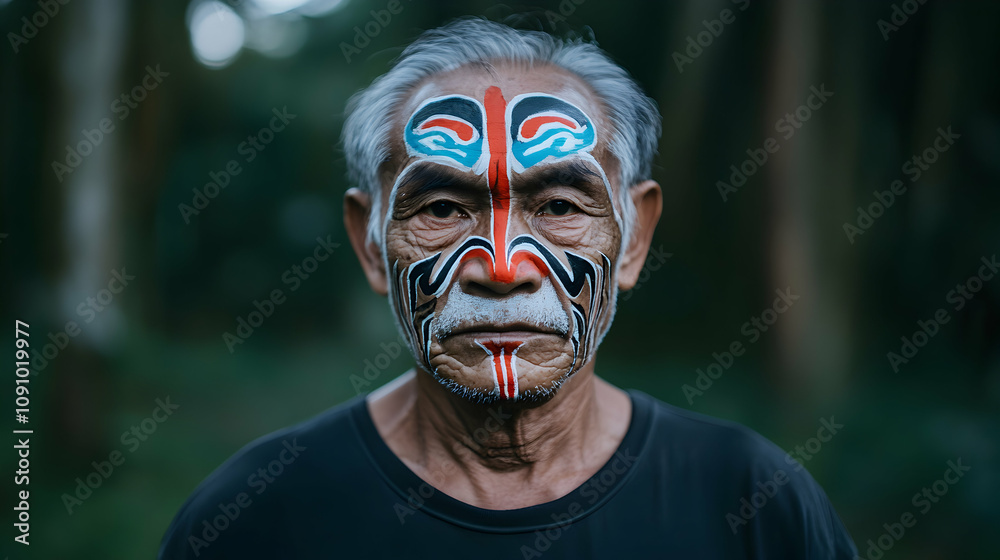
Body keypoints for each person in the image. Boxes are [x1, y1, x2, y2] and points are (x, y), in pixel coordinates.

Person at [159, 17, 857, 559]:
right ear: (370, 242)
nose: (501, 266)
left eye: (558, 207)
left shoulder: (755, 505)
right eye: (440, 209)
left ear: (633, 239)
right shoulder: (255, 517)